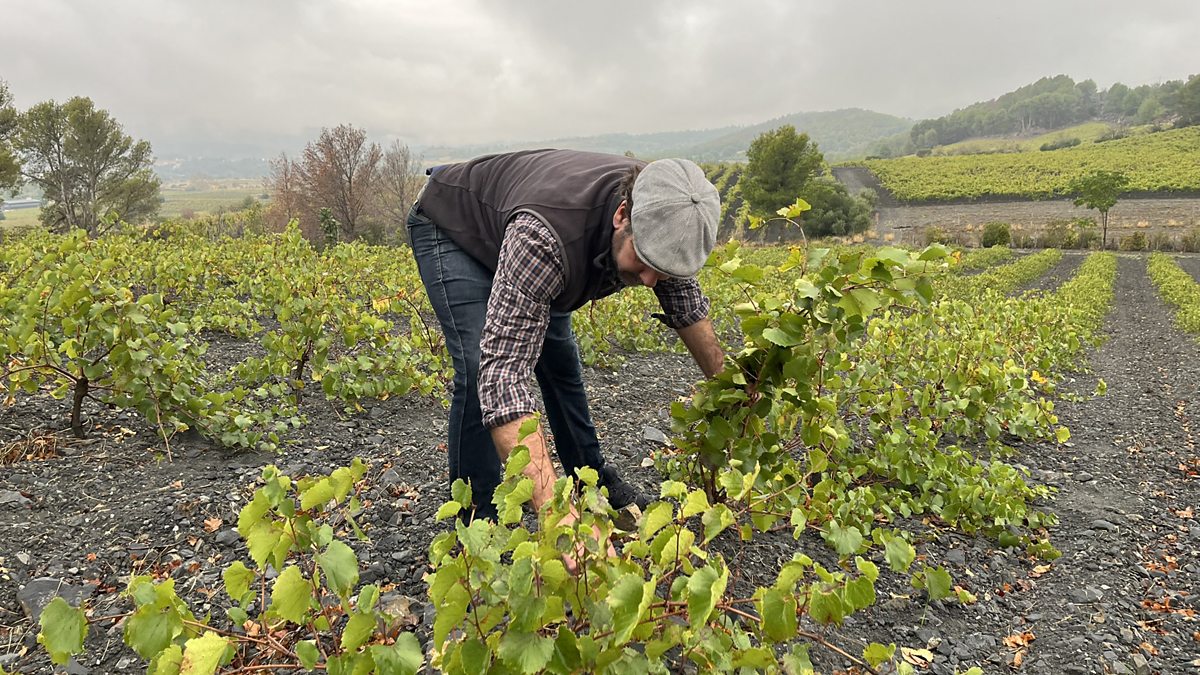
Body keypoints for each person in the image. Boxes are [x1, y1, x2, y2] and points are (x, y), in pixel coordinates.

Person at [407, 149, 725, 524]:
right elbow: (502, 375)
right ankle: (477, 511)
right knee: (480, 366)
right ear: (622, 215)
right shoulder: (545, 238)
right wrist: (558, 519)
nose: (650, 281)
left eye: (664, 271)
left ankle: (587, 476)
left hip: (526, 237)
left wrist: (732, 390)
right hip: (453, 226)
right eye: (643, 261)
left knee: (560, 361)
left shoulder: (666, 219)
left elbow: (687, 309)